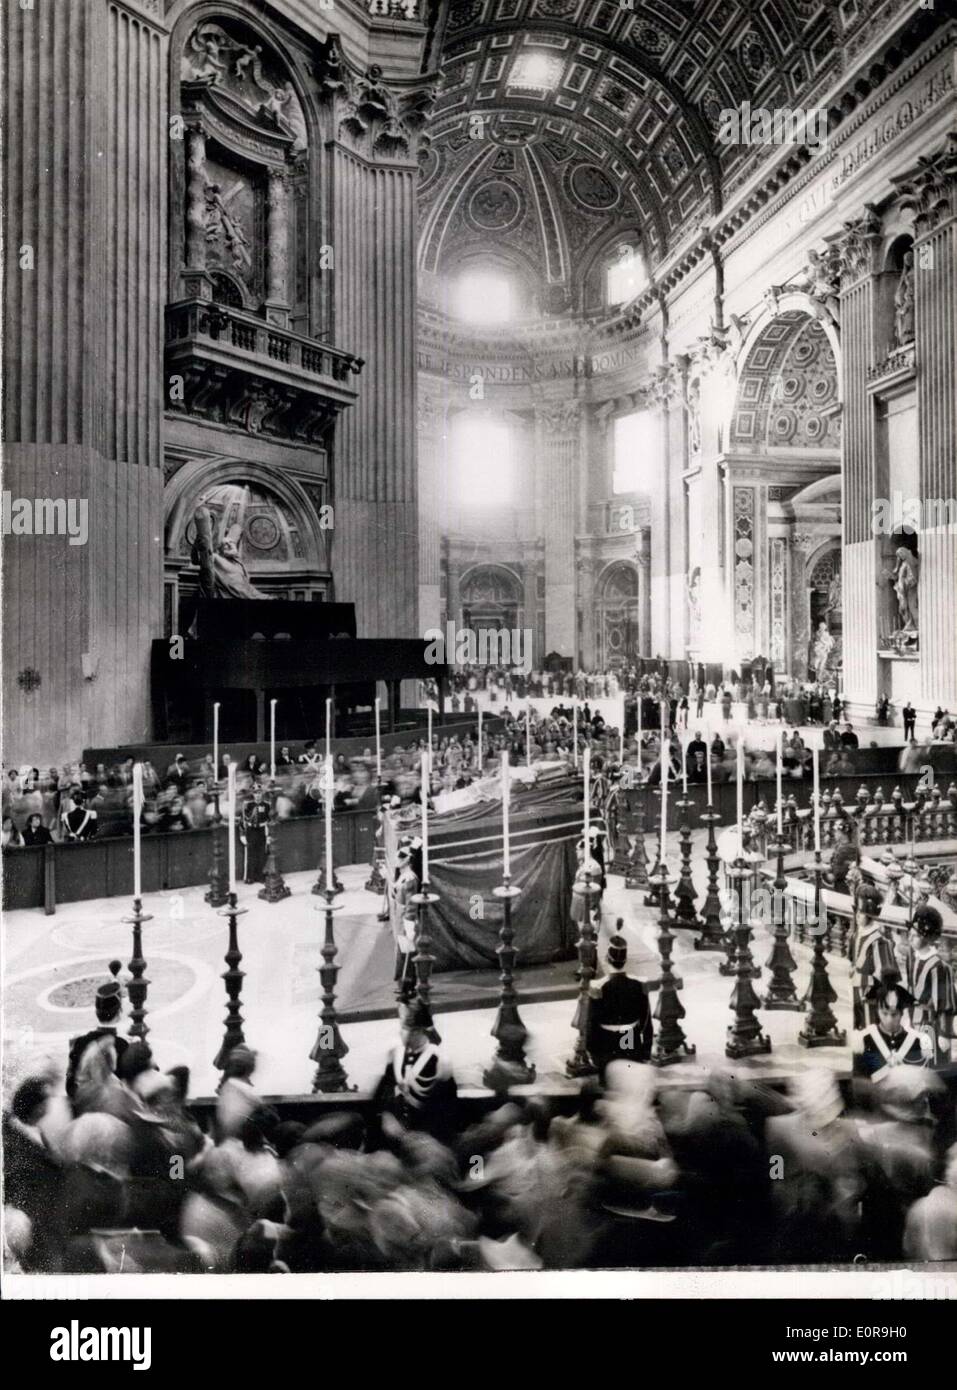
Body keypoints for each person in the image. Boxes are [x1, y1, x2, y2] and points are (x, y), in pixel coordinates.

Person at [374, 999, 457, 1141]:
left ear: (419, 1031)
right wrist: (386, 1115)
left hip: (427, 1136)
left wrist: (417, 1136)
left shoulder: (438, 1061)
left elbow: (445, 1109)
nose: (401, 1032)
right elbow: (382, 1093)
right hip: (394, 1133)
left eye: (406, 1028)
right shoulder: (396, 1057)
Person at [586, 932, 653, 1079]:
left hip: (606, 1042)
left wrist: (592, 1053)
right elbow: (646, 1021)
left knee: (611, 1084)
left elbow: (591, 1025)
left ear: (607, 959)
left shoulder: (598, 987)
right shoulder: (638, 985)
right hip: (629, 1037)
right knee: (629, 1078)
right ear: (625, 959)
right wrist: (646, 1051)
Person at [852, 977, 930, 1083]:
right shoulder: (863, 1040)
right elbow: (859, 1086)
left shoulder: (918, 1041)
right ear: (877, 1011)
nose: (889, 1019)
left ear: (902, 1012)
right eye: (884, 1013)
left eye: (894, 1014)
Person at [907, 906, 956, 1067]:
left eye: (915, 936)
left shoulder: (937, 966)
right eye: (910, 934)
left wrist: (944, 1033)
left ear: (926, 937)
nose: (910, 939)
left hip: (930, 1025)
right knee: (914, 1062)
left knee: (930, 1063)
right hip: (913, 1021)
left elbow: (944, 1003)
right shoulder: (912, 958)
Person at [850, 883, 898, 1029]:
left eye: (861, 913)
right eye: (856, 912)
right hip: (856, 984)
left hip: (871, 988)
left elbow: (884, 971)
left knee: (871, 1022)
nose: (857, 916)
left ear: (870, 916)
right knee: (858, 1021)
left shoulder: (879, 940)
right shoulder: (856, 935)